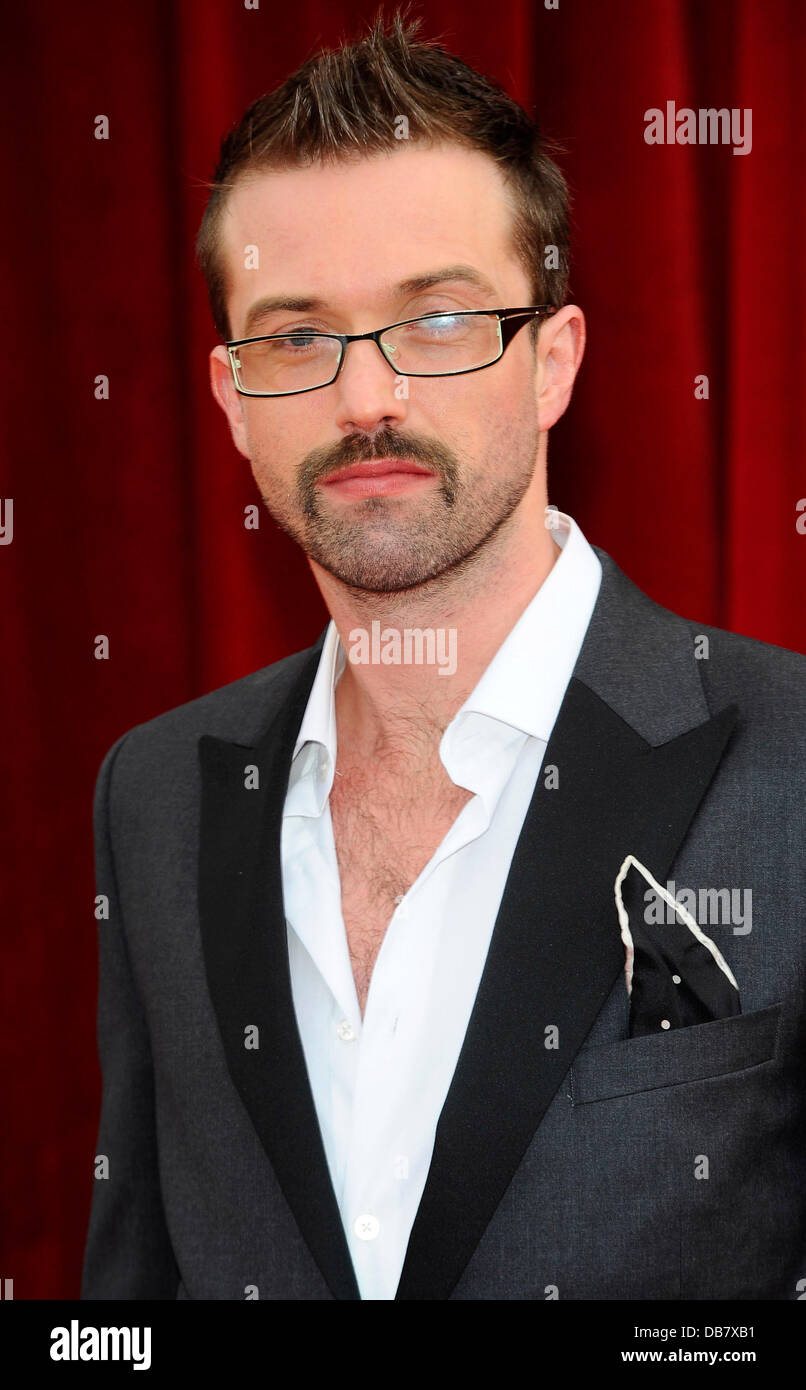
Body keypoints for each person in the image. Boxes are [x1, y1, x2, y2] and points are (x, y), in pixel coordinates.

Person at [81, 9, 806, 1301]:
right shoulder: (151, 794)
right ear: (229, 396)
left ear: (552, 362)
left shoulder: (790, 760)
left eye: (436, 320)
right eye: (298, 335)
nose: (366, 400)